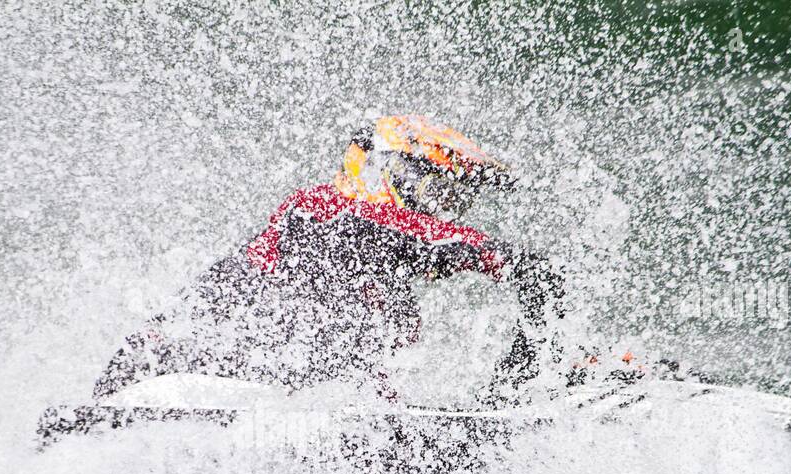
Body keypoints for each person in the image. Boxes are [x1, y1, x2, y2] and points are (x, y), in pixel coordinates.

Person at [92, 114, 567, 407]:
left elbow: (369, 400)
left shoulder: (382, 291)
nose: (443, 212)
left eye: (455, 203)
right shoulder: (319, 212)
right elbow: (395, 233)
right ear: (387, 171)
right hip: (155, 390)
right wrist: (503, 258)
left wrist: (518, 388)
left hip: (240, 416)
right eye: (436, 194)